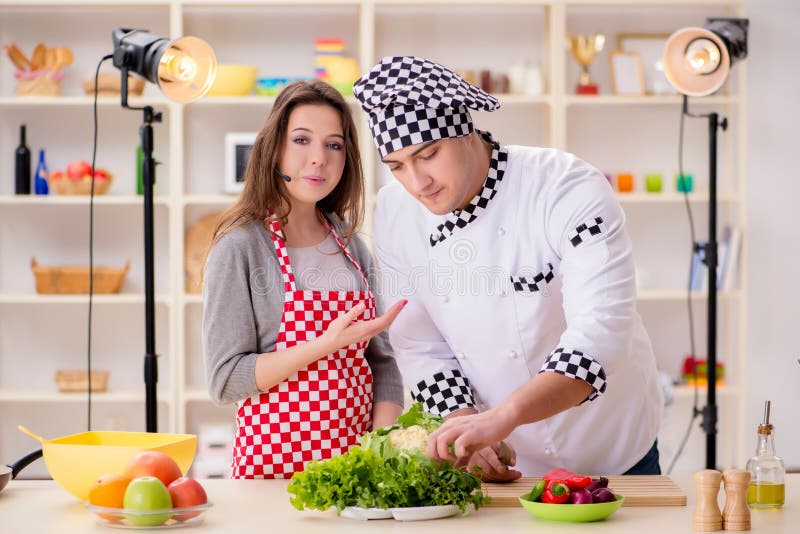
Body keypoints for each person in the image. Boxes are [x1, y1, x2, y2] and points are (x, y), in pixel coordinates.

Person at [353, 56, 664, 481]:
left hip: (611, 448)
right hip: (503, 455)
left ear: (464, 131)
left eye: (428, 155)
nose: (416, 183)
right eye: (396, 167)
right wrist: (464, 427)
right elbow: (421, 346)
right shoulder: (395, 211)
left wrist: (505, 416)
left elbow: (602, 333)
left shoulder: (565, 188)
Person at [203, 79, 405, 479]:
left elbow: (382, 365)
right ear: (274, 147)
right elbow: (225, 380)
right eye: (301, 140)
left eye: (334, 145)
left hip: (356, 478)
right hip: (272, 478)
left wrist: (379, 456)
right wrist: (326, 344)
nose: (319, 159)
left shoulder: (352, 246)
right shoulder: (240, 248)